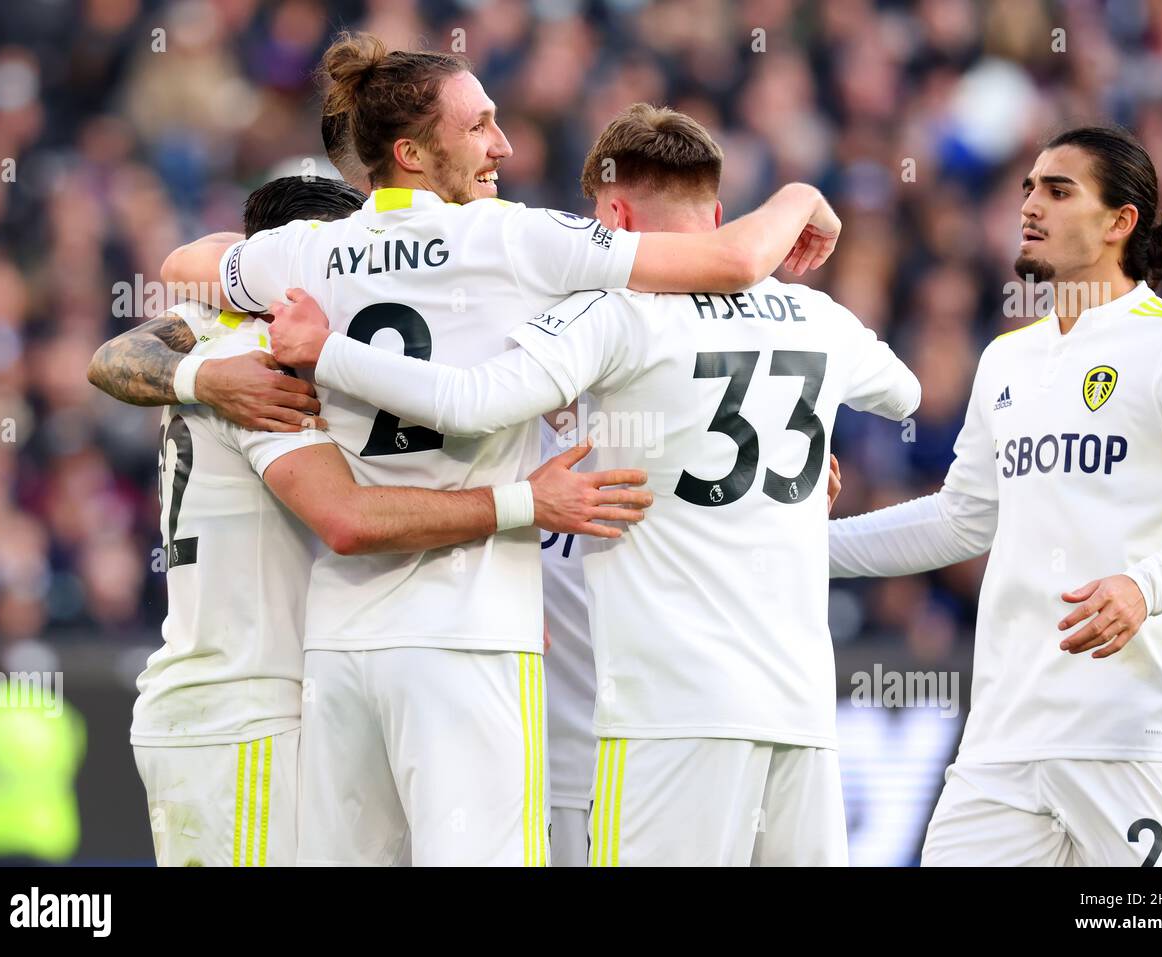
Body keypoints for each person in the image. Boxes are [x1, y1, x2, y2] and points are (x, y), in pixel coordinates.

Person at [158, 33, 841, 866]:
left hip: (340, 648)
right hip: (469, 630)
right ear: (411, 151)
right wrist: (804, 191)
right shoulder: (513, 239)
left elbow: (181, 264)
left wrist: (235, 317)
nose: (504, 145)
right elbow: (734, 259)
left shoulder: (305, 251)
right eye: (480, 126)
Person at [267, 103, 917, 866]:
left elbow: (467, 401)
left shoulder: (612, 316)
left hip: (665, 716)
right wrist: (796, 444)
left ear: (612, 213)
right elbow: (903, 393)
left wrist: (329, 351)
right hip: (802, 712)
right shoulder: (816, 314)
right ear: (715, 210)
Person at [88, 176, 650, 866]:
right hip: (247, 714)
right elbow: (347, 517)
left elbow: (115, 353)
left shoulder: (214, 340)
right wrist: (523, 505)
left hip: (230, 701)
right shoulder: (262, 365)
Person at [827, 126, 1162, 866]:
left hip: (1131, 740)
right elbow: (961, 517)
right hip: (1001, 747)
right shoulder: (1006, 358)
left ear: (1121, 221)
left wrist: (1143, 586)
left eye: (1059, 191)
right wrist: (807, 549)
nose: (1031, 203)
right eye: (1029, 187)